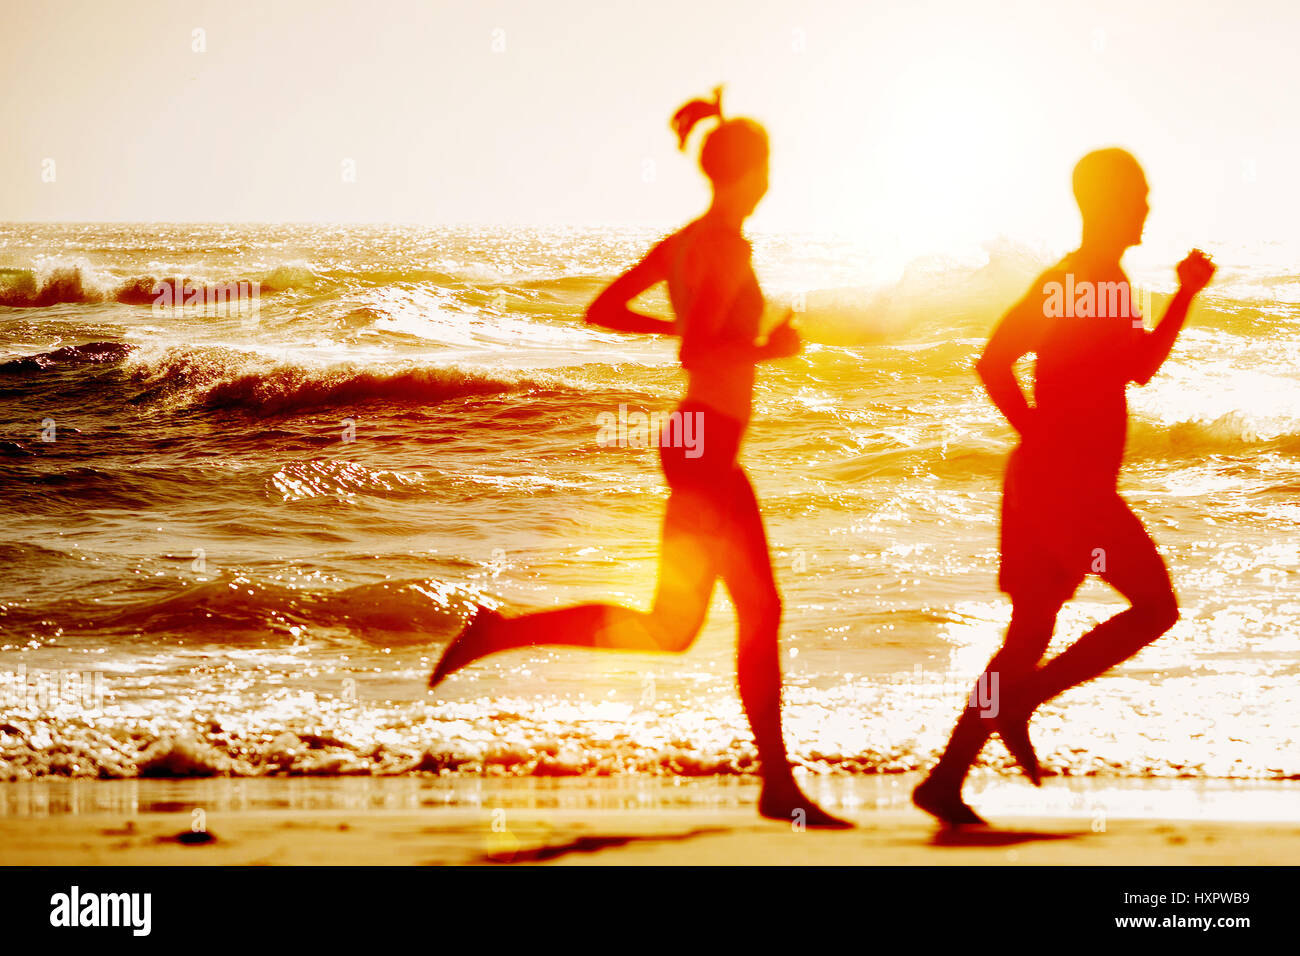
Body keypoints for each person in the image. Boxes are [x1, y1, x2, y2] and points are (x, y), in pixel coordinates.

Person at [429, 90, 850, 828]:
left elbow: (606, 308)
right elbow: (702, 343)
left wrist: (686, 330)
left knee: (673, 628)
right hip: (706, 444)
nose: (772, 178)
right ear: (747, 173)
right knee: (758, 612)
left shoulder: (683, 242)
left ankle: (501, 630)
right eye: (768, 166)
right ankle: (779, 789)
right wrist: (765, 347)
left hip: (696, 441)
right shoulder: (720, 245)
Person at [914, 148, 1216, 825]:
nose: (1146, 206)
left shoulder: (1082, 280)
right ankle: (1023, 701)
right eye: (1138, 194)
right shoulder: (1089, 283)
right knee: (1155, 606)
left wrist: (1034, 438)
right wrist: (1188, 294)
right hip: (1066, 486)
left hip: (1040, 482)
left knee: (1027, 635)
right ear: (1109, 204)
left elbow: (1009, 363)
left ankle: (946, 777)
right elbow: (1126, 367)